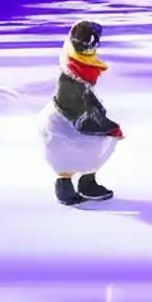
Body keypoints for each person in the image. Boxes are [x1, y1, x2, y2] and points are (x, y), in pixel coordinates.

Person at [41, 20, 124, 206]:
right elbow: (78, 115)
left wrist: (100, 115)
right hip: (64, 124)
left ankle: (88, 182)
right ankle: (65, 188)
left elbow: (87, 95)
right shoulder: (69, 81)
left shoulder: (79, 70)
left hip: (77, 118)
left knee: (93, 148)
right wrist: (106, 126)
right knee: (71, 152)